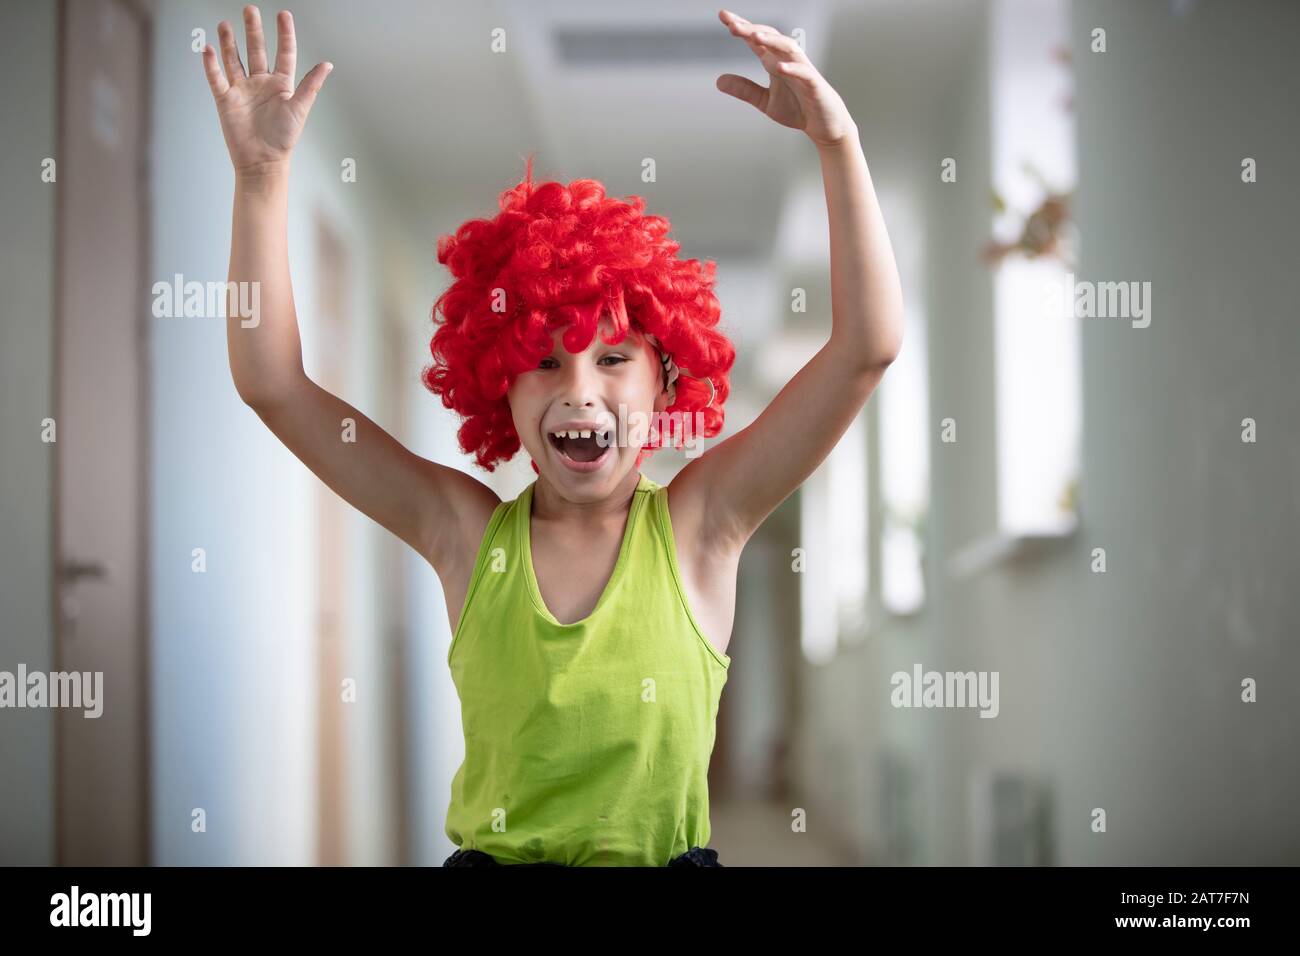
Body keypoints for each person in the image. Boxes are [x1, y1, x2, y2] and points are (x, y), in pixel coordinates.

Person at [202, 5, 903, 867]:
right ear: (497, 381)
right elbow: (272, 386)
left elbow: (866, 348)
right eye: (543, 361)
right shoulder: (460, 531)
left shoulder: (702, 525)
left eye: (614, 358)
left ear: (668, 378)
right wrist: (262, 182)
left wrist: (839, 145)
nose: (580, 390)